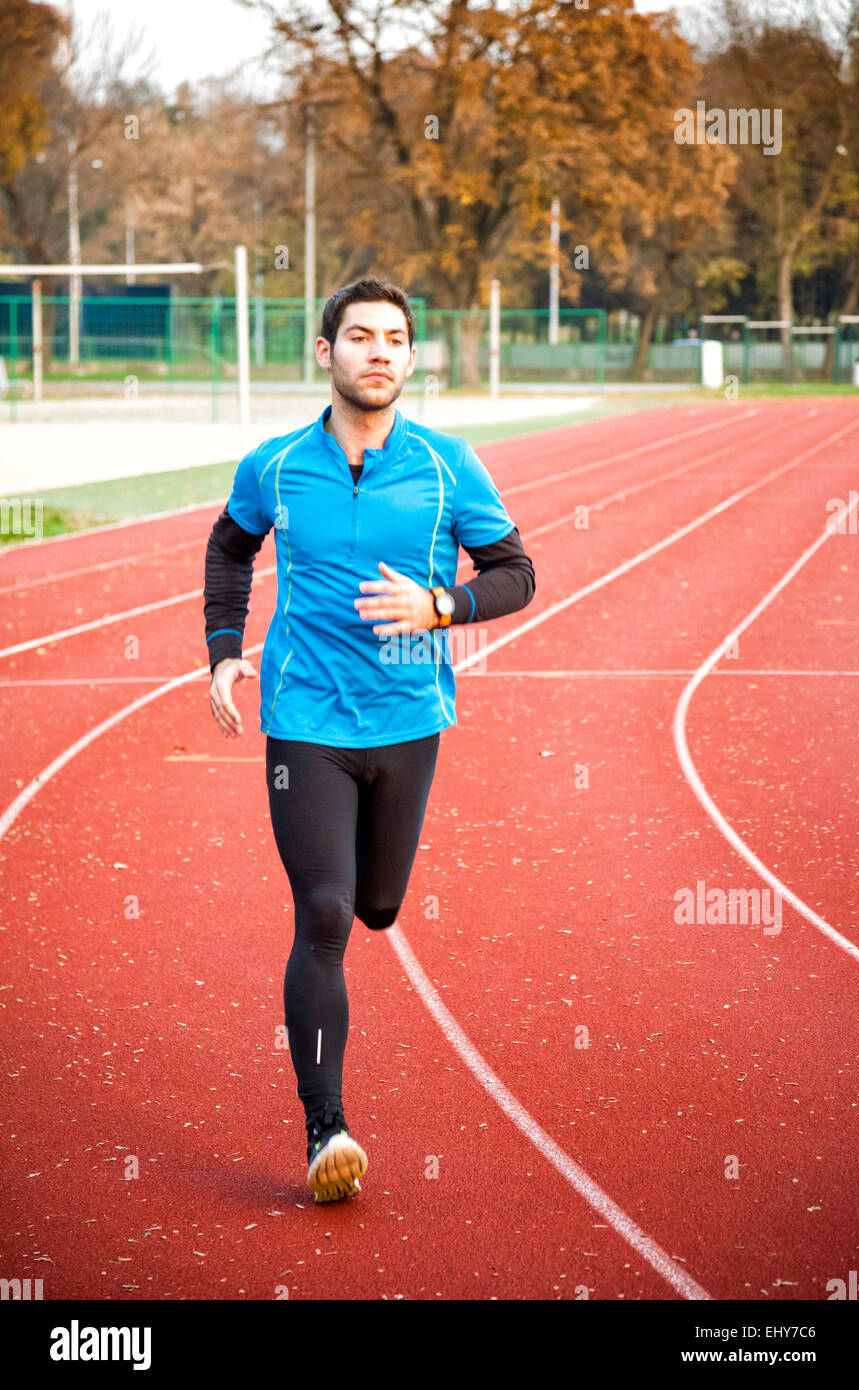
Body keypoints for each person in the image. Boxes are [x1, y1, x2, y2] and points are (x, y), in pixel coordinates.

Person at [203, 276, 536, 1203]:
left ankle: (369, 909)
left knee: (379, 906)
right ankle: (326, 1129)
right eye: (359, 336)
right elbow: (231, 550)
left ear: (412, 356)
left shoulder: (446, 466)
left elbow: (516, 573)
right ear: (326, 353)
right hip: (303, 718)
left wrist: (442, 605)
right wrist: (225, 653)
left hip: (407, 721)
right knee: (324, 913)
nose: (379, 351)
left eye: (395, 337)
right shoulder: (273, 466)